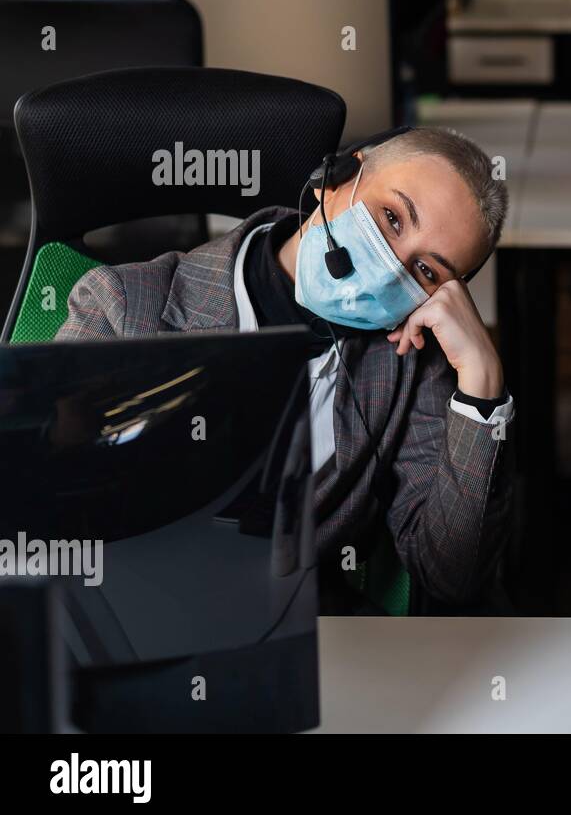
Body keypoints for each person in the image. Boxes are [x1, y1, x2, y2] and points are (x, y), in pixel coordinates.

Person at [57, 126, 514, 613]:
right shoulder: (124, 307)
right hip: (120, 625)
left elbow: (449, 575)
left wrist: (482, 387)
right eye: (392, 218)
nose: (391, 267)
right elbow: (49, 514)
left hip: (294, 645)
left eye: (427, 270)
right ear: (334, 178)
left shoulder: (412, 368)